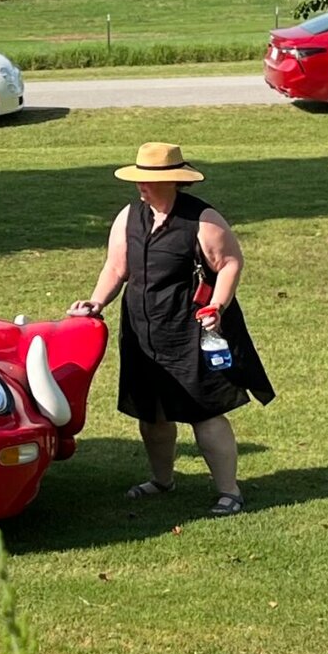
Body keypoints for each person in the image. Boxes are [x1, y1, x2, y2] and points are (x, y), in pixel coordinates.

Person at [67, 142, 274, 517]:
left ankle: (230, 492)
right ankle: (163, 480)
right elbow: (116, 268)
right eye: (138, 180)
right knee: (152, 414)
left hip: (190, 332)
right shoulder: (129, 216)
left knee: (205, 412)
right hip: (143, 333)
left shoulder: (203, 220)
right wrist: (96, 304)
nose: (140, 187)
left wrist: (218, 306)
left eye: (148, 181)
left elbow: (230, 263)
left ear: (172, 182)